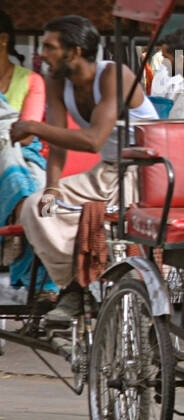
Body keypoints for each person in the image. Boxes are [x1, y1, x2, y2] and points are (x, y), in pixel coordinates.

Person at [12, 16, 159, 324]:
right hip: (107, 173)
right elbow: (58, 140)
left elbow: (93, 141)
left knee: (106, 220)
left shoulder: (114, 75)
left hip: (145, 173)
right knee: (37, 209)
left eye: (50, 47)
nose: (43, 54)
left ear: (75, 51)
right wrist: (52, 189)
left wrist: (32, 126)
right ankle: (74, 285)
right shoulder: (55, 79)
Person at [1, 10, 49, 290]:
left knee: (12, 153)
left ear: (3, 40)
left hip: (23, 156)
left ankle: (22, 212)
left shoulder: (32, 80)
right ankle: (23, 213)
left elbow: (28, 132)